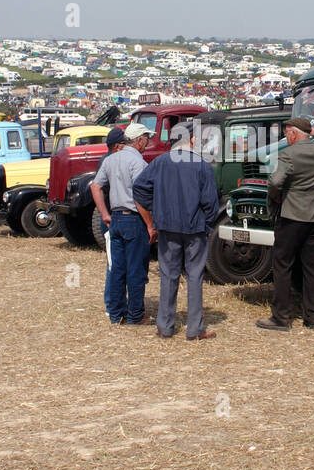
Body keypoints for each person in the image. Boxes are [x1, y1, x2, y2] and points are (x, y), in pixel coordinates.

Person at [133, 122, 219, 340]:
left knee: (168, 275)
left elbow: (140, 188)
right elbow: (210, 202)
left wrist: (156, 211)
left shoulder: (160, 162)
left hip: (167, 226)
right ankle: (195, 329)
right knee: (194, 276)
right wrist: (207, 225)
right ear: (190, 140)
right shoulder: (202, 165)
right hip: (194, 227)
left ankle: (165, 327)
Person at [256, 117, 314, 332]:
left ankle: (282, 317)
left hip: (293, 215)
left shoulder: (288, 154)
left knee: (282, 264)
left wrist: (275, 197)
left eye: (287, 133)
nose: (286, 137)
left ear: (293, 134)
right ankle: (312, 317)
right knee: (313, 266)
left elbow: (275, 182)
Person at [91, 124, 152, 325]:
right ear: (139, 140)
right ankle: (135, 315)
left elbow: (96, 186)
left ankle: (116, 314)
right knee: (136, 270)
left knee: (117, 269)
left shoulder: (110, 160)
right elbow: (139, 197)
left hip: (115, 218)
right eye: (146, 139)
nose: (147, 143)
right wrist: (150, 224)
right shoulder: (138, 163)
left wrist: (104, 213)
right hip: (133, 219)